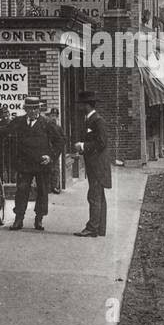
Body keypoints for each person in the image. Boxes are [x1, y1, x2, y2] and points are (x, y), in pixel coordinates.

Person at [5, 96, 63, 231]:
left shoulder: (47, 123)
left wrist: (51, 157)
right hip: (24, 164)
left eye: (35, 108)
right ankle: (18, 219)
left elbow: (60, 141)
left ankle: (39, 219)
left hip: (42, 164)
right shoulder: (19, 122)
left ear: (39, 109)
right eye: (29, 108)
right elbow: (5, 130)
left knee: (42, 191)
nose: (32, 111)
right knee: (21, 191)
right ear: (25, 109)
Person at [73, 90, 111, 238]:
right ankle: (99, 228)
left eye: (81, 104)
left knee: (94, 196)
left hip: (97, 165)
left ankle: (92, 228)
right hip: (95, 164)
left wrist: (83, 146)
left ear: (87, 105)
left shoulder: (97, 121)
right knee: (98, 196)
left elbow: (102, 143)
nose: (79, 107)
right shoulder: (90, 119)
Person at [47, 107, 63, 193]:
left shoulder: (58, 128)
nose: (53, 117)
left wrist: (58, 150)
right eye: (52, 115)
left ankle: (55, 186)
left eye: (55, 116)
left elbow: (63, 139)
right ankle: (49, 187)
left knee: (55, 169)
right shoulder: (46, 126)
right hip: (47, 151)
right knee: (48, 169)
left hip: (55, 152)